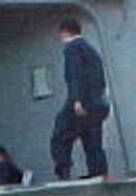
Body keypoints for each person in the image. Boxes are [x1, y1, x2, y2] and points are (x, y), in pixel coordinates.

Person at [50, 19, 109, 180]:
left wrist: (76, 100)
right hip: (98, 102)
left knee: (60, 135)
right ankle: (99, 173)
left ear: (65, 32)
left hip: (81, 101)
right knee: (92, 139)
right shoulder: (90, 50)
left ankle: (63, 171)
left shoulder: (72, 48)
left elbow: (75, 74)